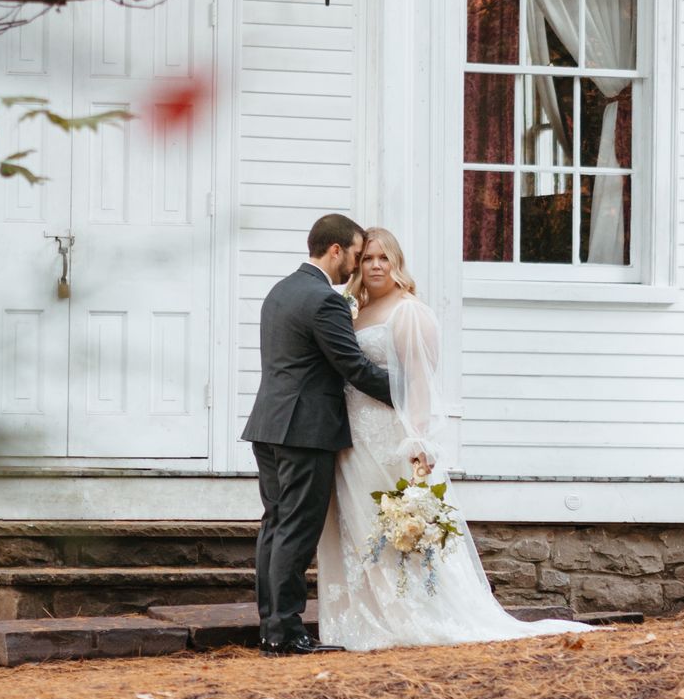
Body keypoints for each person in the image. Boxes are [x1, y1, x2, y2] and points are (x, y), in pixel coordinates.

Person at [314, 227, 588, 651]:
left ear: (397, 263)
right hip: (352, 439)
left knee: (393, 526)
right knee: (360, 527)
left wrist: (417, 442)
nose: (374, 266)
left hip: (389, 439)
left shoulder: (409, 312)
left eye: (383, 258)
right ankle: (367, 617)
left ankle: (413, 613)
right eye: (367, 258)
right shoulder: (354, 311)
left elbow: (420, 383)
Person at [241, 214, 395, 656]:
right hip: (304, 432)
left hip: (269, 425)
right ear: (335, 250)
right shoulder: (323, 300)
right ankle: (287, 633)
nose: (358, 263)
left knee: (274, 525)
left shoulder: (280, 292)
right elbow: (353, 367)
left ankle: (271, 627)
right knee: (296, 529)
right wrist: (405, 393)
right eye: (356, 253)